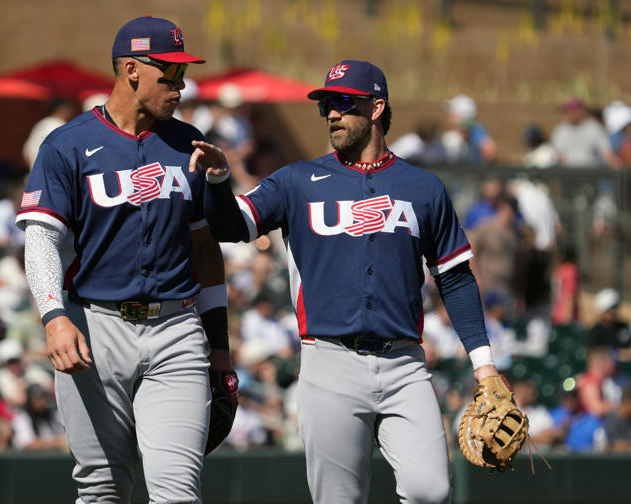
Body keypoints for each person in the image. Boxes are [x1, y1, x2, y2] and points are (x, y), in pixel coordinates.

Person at [193, 60, 501, 504]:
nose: (332, 114)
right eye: (326, 106)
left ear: (376, 107)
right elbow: (230, 226)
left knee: (430, 490)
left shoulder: (423, 187)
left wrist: (484, 364)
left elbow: (455, 278)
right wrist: (220, 179)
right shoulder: (296, 180)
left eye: (343, 103)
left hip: (405, 365)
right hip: (328, 362)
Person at [15, 16, 235, 503]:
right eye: (170, 74)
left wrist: (218, 345)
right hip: (95, 327)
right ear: (132, 70)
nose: (181, 85)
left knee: (178, 493)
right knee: (102, 490)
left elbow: (205, 247)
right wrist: (53, 316)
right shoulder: (67, 144)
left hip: (176, 329)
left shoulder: (187, 141)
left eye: (183, 73)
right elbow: (40, 238)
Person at [551, 97, 617, 168]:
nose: (572, 113)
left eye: (575, 110)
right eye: (569, 110)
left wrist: (616, 165)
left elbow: (607, 153)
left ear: (582, 110)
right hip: (568, 173)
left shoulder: (594, 128)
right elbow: (559, 156)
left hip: (591, 173)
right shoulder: (561, 130)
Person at [22, 98, 76, 170]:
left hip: (35, 172)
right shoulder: (59, 126)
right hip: (51, 173)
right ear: (63, 109)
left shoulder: (41, 123)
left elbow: (26, 153)